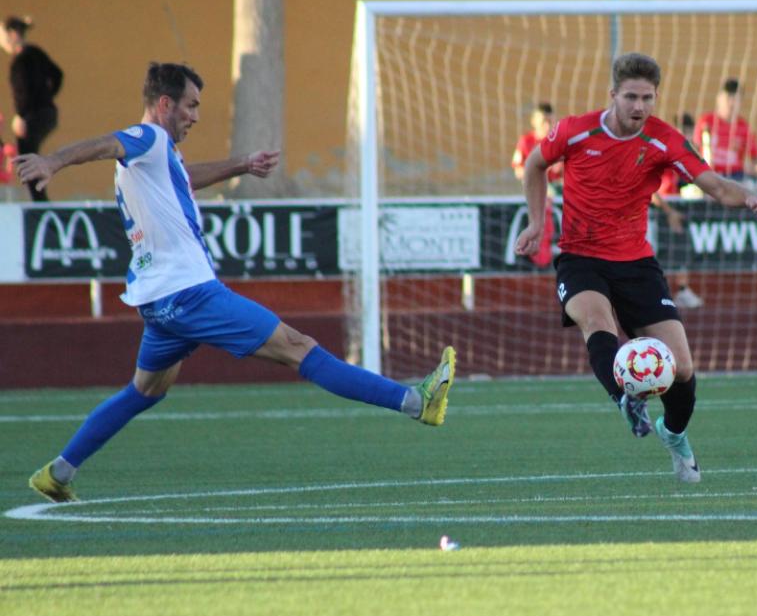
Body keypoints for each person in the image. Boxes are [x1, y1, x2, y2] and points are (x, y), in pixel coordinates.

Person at [16, 62, 456, 503]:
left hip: (158, 300)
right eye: (190, 106)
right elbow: (107, 143)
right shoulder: (147, 137)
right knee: (299, 347)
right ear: (164, 104)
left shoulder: (156, 157)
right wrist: (53, 160)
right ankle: (417, 403)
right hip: (188, 293)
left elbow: (185, 181)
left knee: (144, 390)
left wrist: (242, 165)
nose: (195, 116)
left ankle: (57, 472)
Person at [515, 53, 757, 483]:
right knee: (595, 319)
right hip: (580, 257)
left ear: (656, 98)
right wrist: (537, 221)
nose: (639, 106)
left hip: (635, 262)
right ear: (613, 94)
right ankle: (625, 399)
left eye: (647, 98)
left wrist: (747, 197)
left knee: (684, 370)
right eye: (631, 96)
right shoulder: (576, 131)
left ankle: (674, 435)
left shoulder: (664, 140)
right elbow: (534, 165)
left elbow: (712, 184)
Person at [2, 16, 63, 202]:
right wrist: (47, 97)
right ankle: (39, 200)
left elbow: (22, 91)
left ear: (12, 34)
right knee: (30, 157)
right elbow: (57, 74)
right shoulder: (35, 52)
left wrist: (21, 116)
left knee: (26, 160)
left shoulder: (20, 60)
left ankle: (39, 204)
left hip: (32, 115)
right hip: (48, 112)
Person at [654, 112, 703, 308]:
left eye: (690, 132)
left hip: (673, 207)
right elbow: (651, 189)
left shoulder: (681, 154)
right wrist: (668, 211)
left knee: (680, 249)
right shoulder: (662, 152)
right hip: (658, 208)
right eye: (684, 132)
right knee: (659, 253)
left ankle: (681, 290)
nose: (687, 136)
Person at [511, 102, 559, 267]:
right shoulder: (526, 141)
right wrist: (534, 174)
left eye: (549, 121)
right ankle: (538, 252)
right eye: (543, 121)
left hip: (557, 187)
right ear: (534, 121)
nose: (546, 125)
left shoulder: (559, 140)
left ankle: (551, 245)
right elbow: (518, 170)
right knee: (544, 197)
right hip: (534, 187)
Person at [694, 78, 757, 182]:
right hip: (709, 173)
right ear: (719, 98)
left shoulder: (744, 127)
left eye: (735, 99)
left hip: (736, 176)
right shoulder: (706, 121)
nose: (731, 103)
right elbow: (695, 148)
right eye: (728, 98)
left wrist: (753, 168)